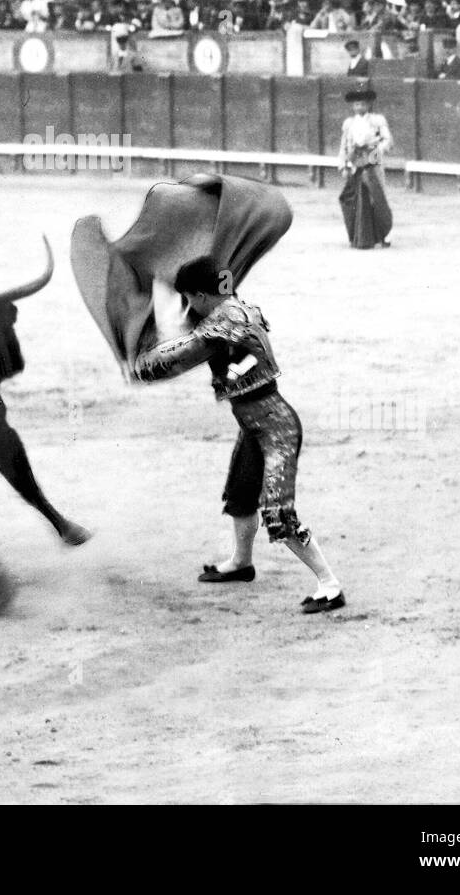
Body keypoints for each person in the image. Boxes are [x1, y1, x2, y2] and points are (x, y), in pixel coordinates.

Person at [131, 256, 345, 614]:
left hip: (275, 428)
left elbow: (179, 357)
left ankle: (330, 584)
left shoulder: (219, 326)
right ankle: (241, 563)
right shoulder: (239, 308)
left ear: (200, 294)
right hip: (256, 425)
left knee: (278, 513)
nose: (188, 304)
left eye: (189, 297)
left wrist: (139, 361)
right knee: (241, 496)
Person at [338, 87, 393, 249]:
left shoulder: (377, 120)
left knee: (378, 196)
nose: (359, 107)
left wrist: (373, 154)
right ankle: (358, 234)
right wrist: (343, 165)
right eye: (356, 104)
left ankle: (386, 234)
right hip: (355, 162)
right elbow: (344, 146)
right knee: (355, 198)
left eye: (362, 104)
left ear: (368, 105)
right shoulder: (349, 123)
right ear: (352, 107)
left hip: (373, 162)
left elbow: (388, 141)